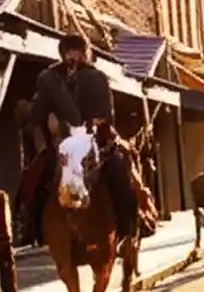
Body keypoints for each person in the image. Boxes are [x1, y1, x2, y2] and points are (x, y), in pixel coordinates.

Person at [17, 34, 150, 247]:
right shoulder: (50, 77)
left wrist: (96, 123)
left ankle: (129, 226)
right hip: (60, 141)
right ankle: (32, 227)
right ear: (63, 54)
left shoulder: (96, 77)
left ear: (84, 54)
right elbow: (39, 110)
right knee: (34, 175)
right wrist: (33, 114)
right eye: (69, 51)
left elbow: (107, 113)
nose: (73, 56)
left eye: (77, 51)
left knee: (119, 171)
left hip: (94, 139)